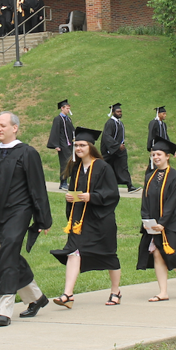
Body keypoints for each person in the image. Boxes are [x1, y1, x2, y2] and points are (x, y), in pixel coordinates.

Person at [0, 112, 52, 326]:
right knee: (5, 254)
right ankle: (36, 298)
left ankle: (4, 310)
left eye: (3, 125)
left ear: (14, 128)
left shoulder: (27, 153)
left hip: (19, 212)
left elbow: (37, 187)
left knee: (6, 254)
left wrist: (43, 219)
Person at [50, 127, 122, 307]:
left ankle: (116, 291)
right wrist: (71, 197)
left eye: (82, 145)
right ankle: (68, 294)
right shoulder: (76, 168)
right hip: (80, 221)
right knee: (74, 252)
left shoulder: (103, 167)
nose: (78, 148)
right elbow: (78, 194)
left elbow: (112, 194)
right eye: (76, 145)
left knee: (109, 256)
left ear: (91, 146)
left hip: (100, 220)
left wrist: (93, 197)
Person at [137, 138, 176, 301]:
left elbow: (173, 203)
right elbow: (145, 200)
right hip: (154, 225)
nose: (156, 157)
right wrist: (146, 220)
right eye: (153, 155)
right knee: (157, 254)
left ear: (167, 156)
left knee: (172, 254)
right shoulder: (150, 176)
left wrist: (163, 223)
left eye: (159, 154)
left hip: (171, 224)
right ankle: (163, 292)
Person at [102, 103, 137, 191]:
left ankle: (130, 185)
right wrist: (117, 146)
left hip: (119, 150)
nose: (120, 113)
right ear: (113, 112)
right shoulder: (110, 123)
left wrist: (120, 146)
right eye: (118, 111)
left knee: (123, 166)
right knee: (106, 168)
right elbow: (107, 136)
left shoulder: (120, 123)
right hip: (110, 150)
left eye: (120, 111)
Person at [47, 99, 75, 190]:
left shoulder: (68, 119)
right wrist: (56, 145)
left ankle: (68, 182)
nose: (68, 110)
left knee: (71, 162)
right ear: (62, 108)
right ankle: (63, 183)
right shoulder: (58, 119)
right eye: (67, 108)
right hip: (62, 145)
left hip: (70, 145)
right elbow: (55, 132)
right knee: (64, 163)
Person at [146, 106, 169, 172]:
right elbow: (151, 135)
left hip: (163, 149)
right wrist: (150, 148)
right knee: (153, 166)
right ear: (158, 114)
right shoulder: (153, 123)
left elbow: (166, 136)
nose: (165, 115)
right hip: (155, 147)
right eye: (163, 113)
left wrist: (172, 149)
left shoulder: (164, 125)